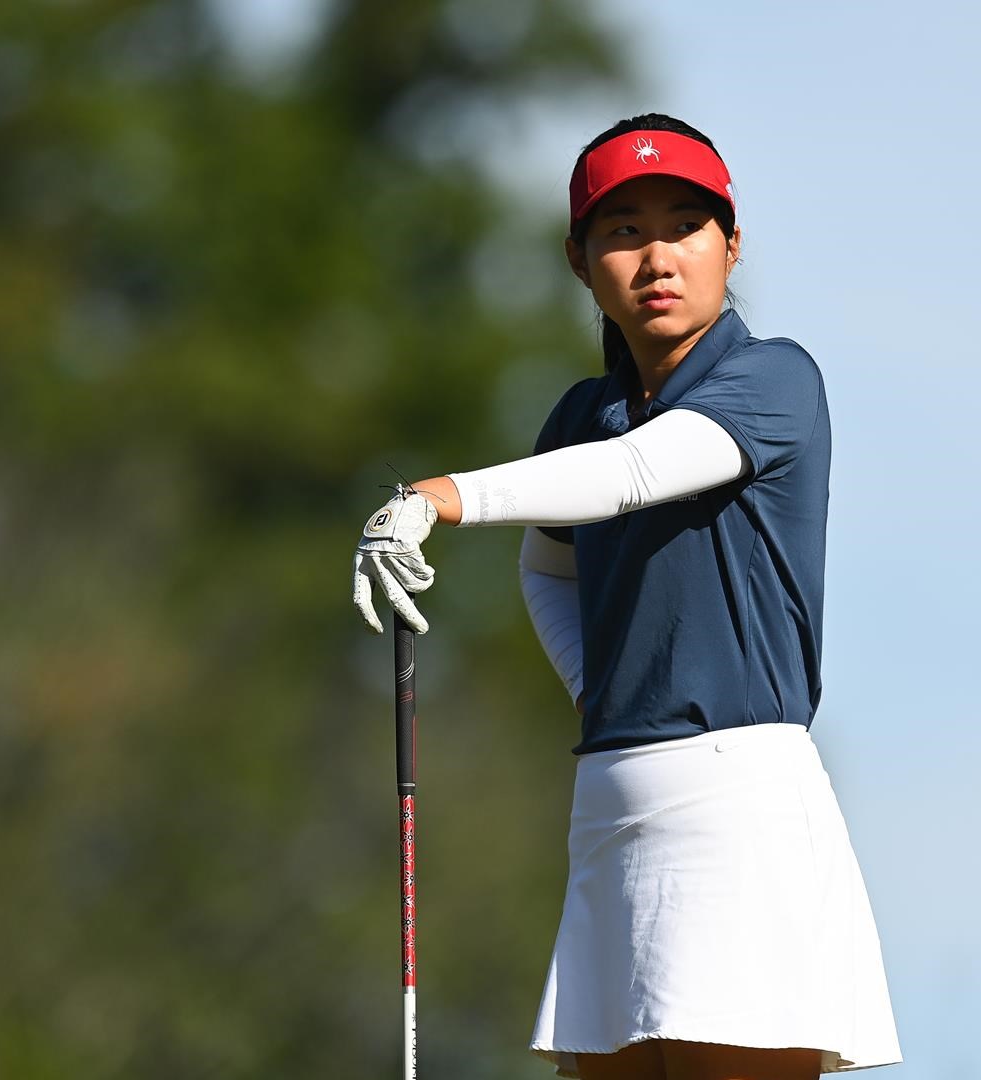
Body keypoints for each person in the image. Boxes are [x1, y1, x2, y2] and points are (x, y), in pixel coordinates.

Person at [353, 114, 900, 1080]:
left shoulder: (773, 377)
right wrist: (597, 689)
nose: (656, 256)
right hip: (607, 805)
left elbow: (637, 474)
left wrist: (439, 498)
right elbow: (547, 567)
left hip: (738, 803)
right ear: (579, 259)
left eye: (685, 226)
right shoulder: (583, 413)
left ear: (731, 246)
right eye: (623, 230)